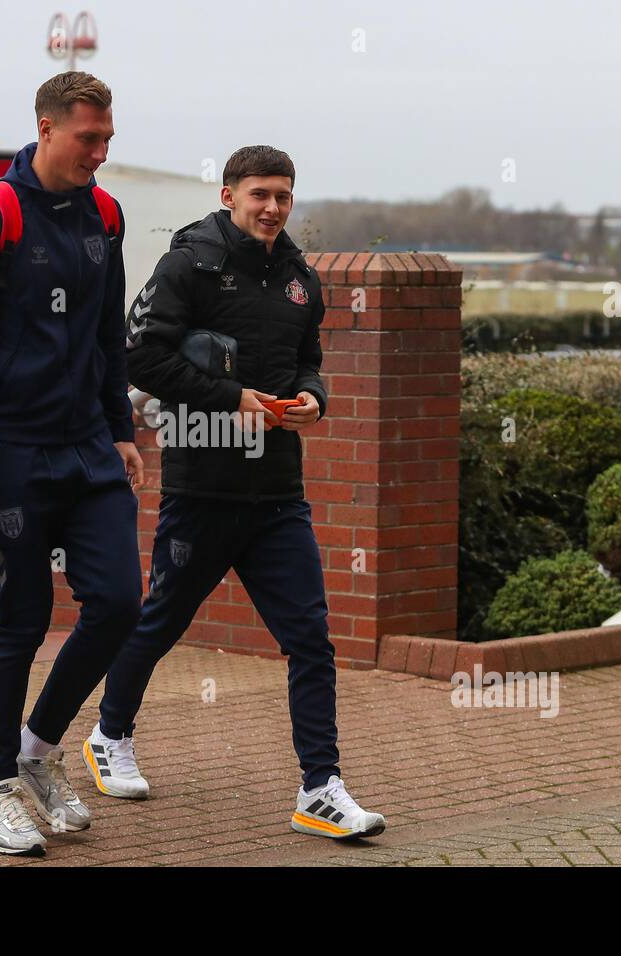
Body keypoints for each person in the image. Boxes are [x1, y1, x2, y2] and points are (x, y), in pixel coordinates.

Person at [81, 145, 385, 840]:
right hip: (203, 486)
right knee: (159, 623)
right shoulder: (189, 263)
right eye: (259, 195)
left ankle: (320, 788)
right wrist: (230, 398)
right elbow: (140, 355)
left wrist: (313, 396)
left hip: (279, 494)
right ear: (229, 196)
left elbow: (308, 360)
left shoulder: (303, 279)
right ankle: (109, 734)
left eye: (283, 195)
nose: (272, 207)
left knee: (311, 638)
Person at [0, 72, 143, 857]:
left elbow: (107, 334)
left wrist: (120, 429)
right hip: (10, 449)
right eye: (89, 137)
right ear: (46, 129)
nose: (100, 151)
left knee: (120, 602)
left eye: (108, 137)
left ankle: (37, 752)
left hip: (87, 445)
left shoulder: (106, 215)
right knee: (19, 622)